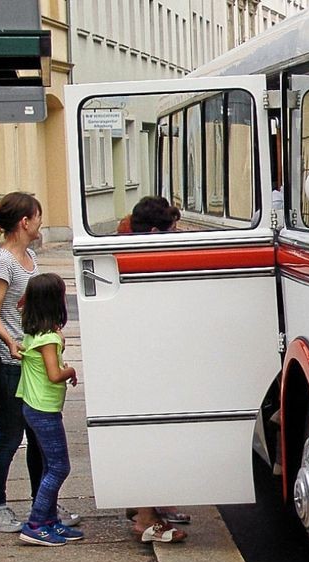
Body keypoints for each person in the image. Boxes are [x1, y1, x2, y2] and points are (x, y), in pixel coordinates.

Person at [0, 193, 80, 532]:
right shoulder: (3, 261)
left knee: (39, 440)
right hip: (12, 361)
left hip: (32, 357)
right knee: (10, 435)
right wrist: (10, 341)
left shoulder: (30, 256)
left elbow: (31, 303)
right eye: (38, 217)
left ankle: (44, 504)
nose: (40, 223)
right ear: (25, 221)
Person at [123, 196, 188, 543]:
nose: (175, 235)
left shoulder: (130, 255)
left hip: (143, 360)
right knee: (149, 434)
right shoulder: (144, 261)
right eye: (171, 229)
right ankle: (146, 518)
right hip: (146, 363)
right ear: (153, 231)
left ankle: (146, 508)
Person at [15, 272, 84, 546]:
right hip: (44, 409)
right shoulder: (49, 340)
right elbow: (54, 374)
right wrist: (71, 369)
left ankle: (50, 521)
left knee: (48, 466)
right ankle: (36, 522)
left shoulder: (35, 335)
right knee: (59, 467)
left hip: (34, 407)